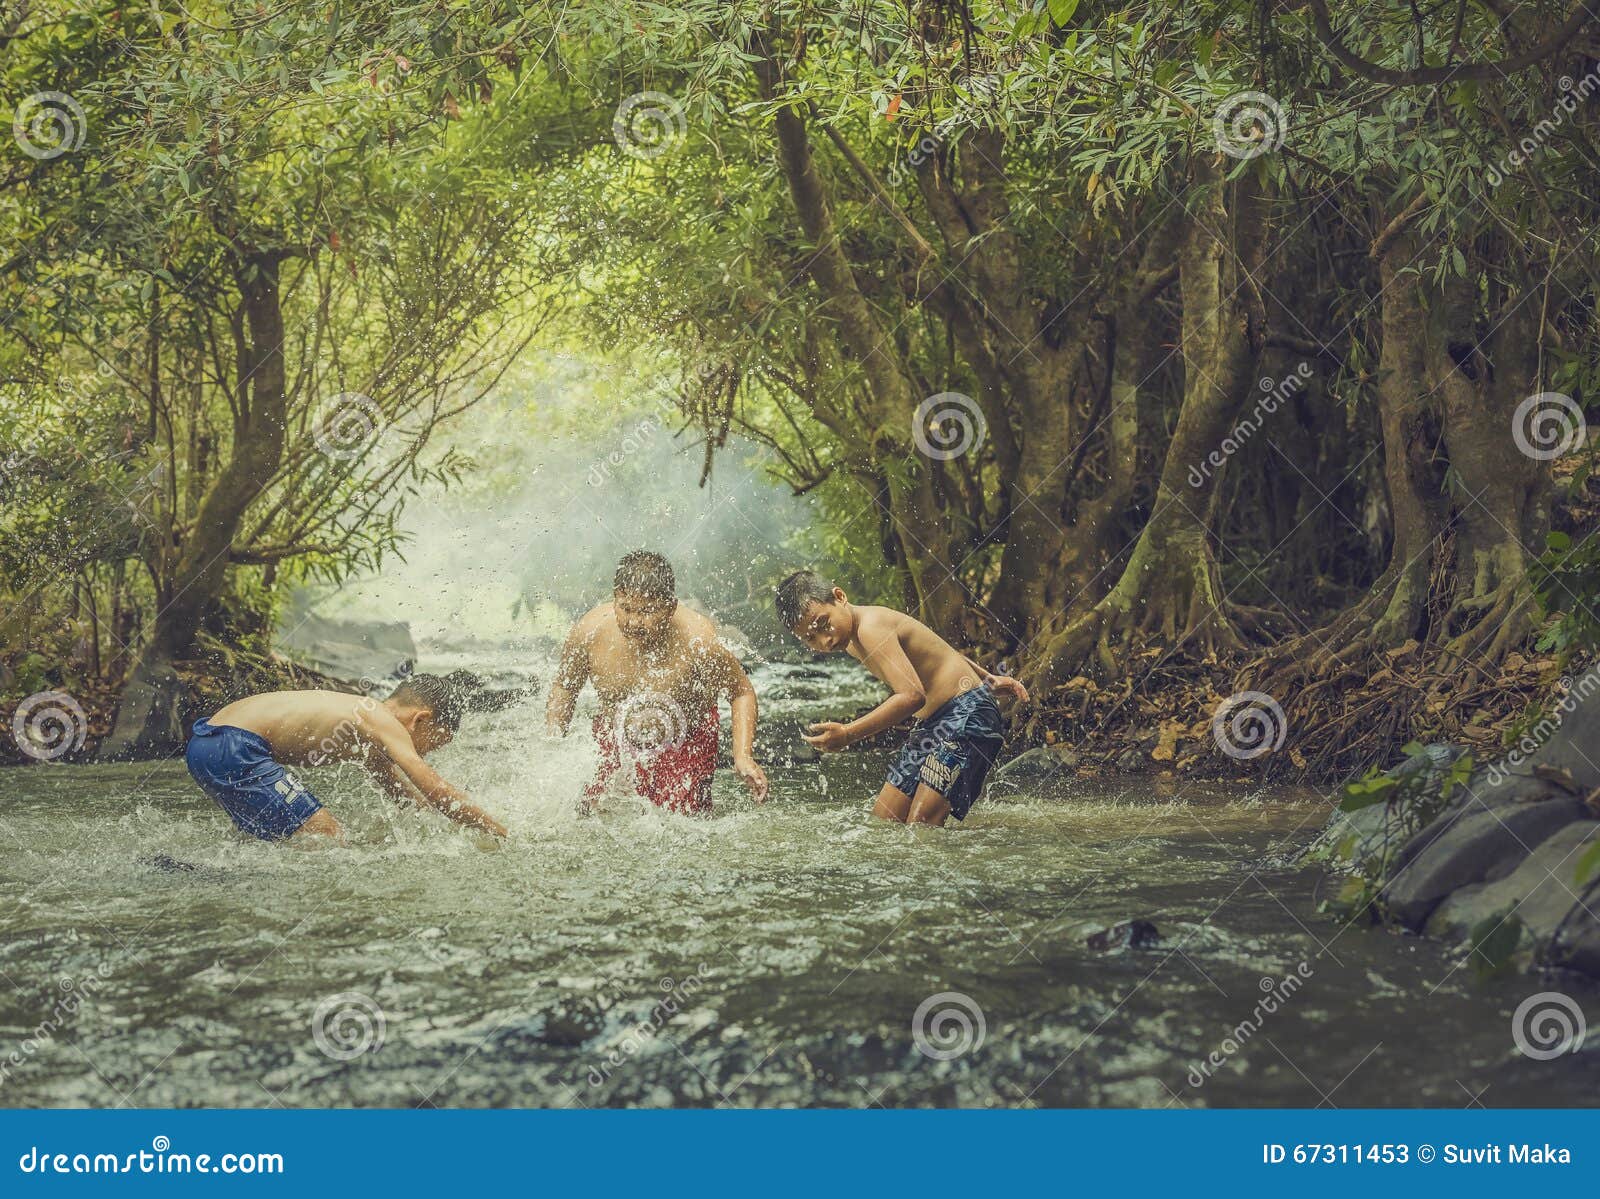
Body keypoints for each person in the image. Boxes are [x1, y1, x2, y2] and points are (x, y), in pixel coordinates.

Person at [774, 570, 1029, 827]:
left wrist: (848, 734)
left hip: (967, 715)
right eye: (810, 638)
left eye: (822, 624)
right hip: (934, 725)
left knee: (921, 829)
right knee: (885, 823)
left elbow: (912, 696)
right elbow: (931, 647)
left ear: (839, 597)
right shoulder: (849, 638)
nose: (824, 640)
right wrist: (988, 678)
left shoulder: (871, 627)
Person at [546, 550, 768, 814]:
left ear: (670, 607)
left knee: (683, 825)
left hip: (686, 743)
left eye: (647, 611)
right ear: (614, 598)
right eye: (625, 608)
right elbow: (565, 688)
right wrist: (553, 745)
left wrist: (742, 755)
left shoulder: (699, 641)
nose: (633, 622)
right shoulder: (590, 632)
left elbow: (740, 691)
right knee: (598, 819)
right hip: (616, 741)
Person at [184, 675, 507, 841]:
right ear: (420, 719)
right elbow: (432, 786)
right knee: (327, 837)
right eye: (432, 744)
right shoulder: (381, 719)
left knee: (276, 838)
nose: (426, 753)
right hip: (235, 747)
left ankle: (208, 872)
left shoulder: (365, 722)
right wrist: (497, 831)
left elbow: (403, 793)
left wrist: (438, 831)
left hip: (206, 742)